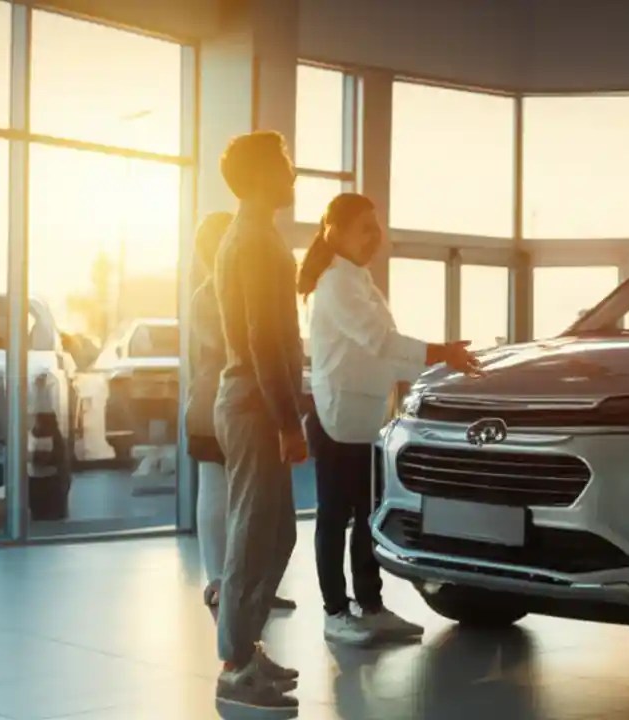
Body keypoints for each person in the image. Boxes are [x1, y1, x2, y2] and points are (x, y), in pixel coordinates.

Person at [299, 192, 480, 646]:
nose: (373, 236)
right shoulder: (335, 283)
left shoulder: (360, 279)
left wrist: (443, 365)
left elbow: (388, 353)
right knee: (335, 517)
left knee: (368, 517)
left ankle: (371, 606)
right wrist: (442, 353)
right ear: (333, 231)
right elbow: (379, 341)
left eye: (375, 227)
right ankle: (336, 612)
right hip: (337, 418)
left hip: (365, 420)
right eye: (363, 227)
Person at [212, 131, 307, 715]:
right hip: (253, 403)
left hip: (257, 400)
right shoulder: (249, 239)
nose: (292, 173)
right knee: (253, 534)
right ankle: (235, 665)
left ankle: (247, 646)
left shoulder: (259, 234)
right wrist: (288, 420)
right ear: (259, 174)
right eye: (284, 164)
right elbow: (262, 338)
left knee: (277, 532)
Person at [186, 210, 296, 613]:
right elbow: (236, 346)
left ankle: (254, 586)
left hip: (238, 404)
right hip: (215, 406)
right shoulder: (210, 294)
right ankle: (219, 582)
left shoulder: (228, 291)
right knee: (217, 495)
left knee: (250, 502)